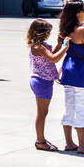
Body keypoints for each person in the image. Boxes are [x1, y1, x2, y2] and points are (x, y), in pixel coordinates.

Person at [55, 0, 84, 154]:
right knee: (83, 109)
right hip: (82, 74)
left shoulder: (65, 29)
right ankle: (83, 145)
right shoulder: (82, 30)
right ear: (77, 13)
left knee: (69, 108)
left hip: (68, 72)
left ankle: (69, 143)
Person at [27, 19, 68, 151]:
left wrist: (59, 44)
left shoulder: (41, 45)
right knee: (42, 113)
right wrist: (67, 47)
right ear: (42, 33)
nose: (50, 34)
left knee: (43, 112)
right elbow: (54, 58)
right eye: (48, 32)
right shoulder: (38, 47)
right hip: (41, 81)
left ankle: (41, 139)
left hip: (42, 81)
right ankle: (40, 141)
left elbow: (52, 54)